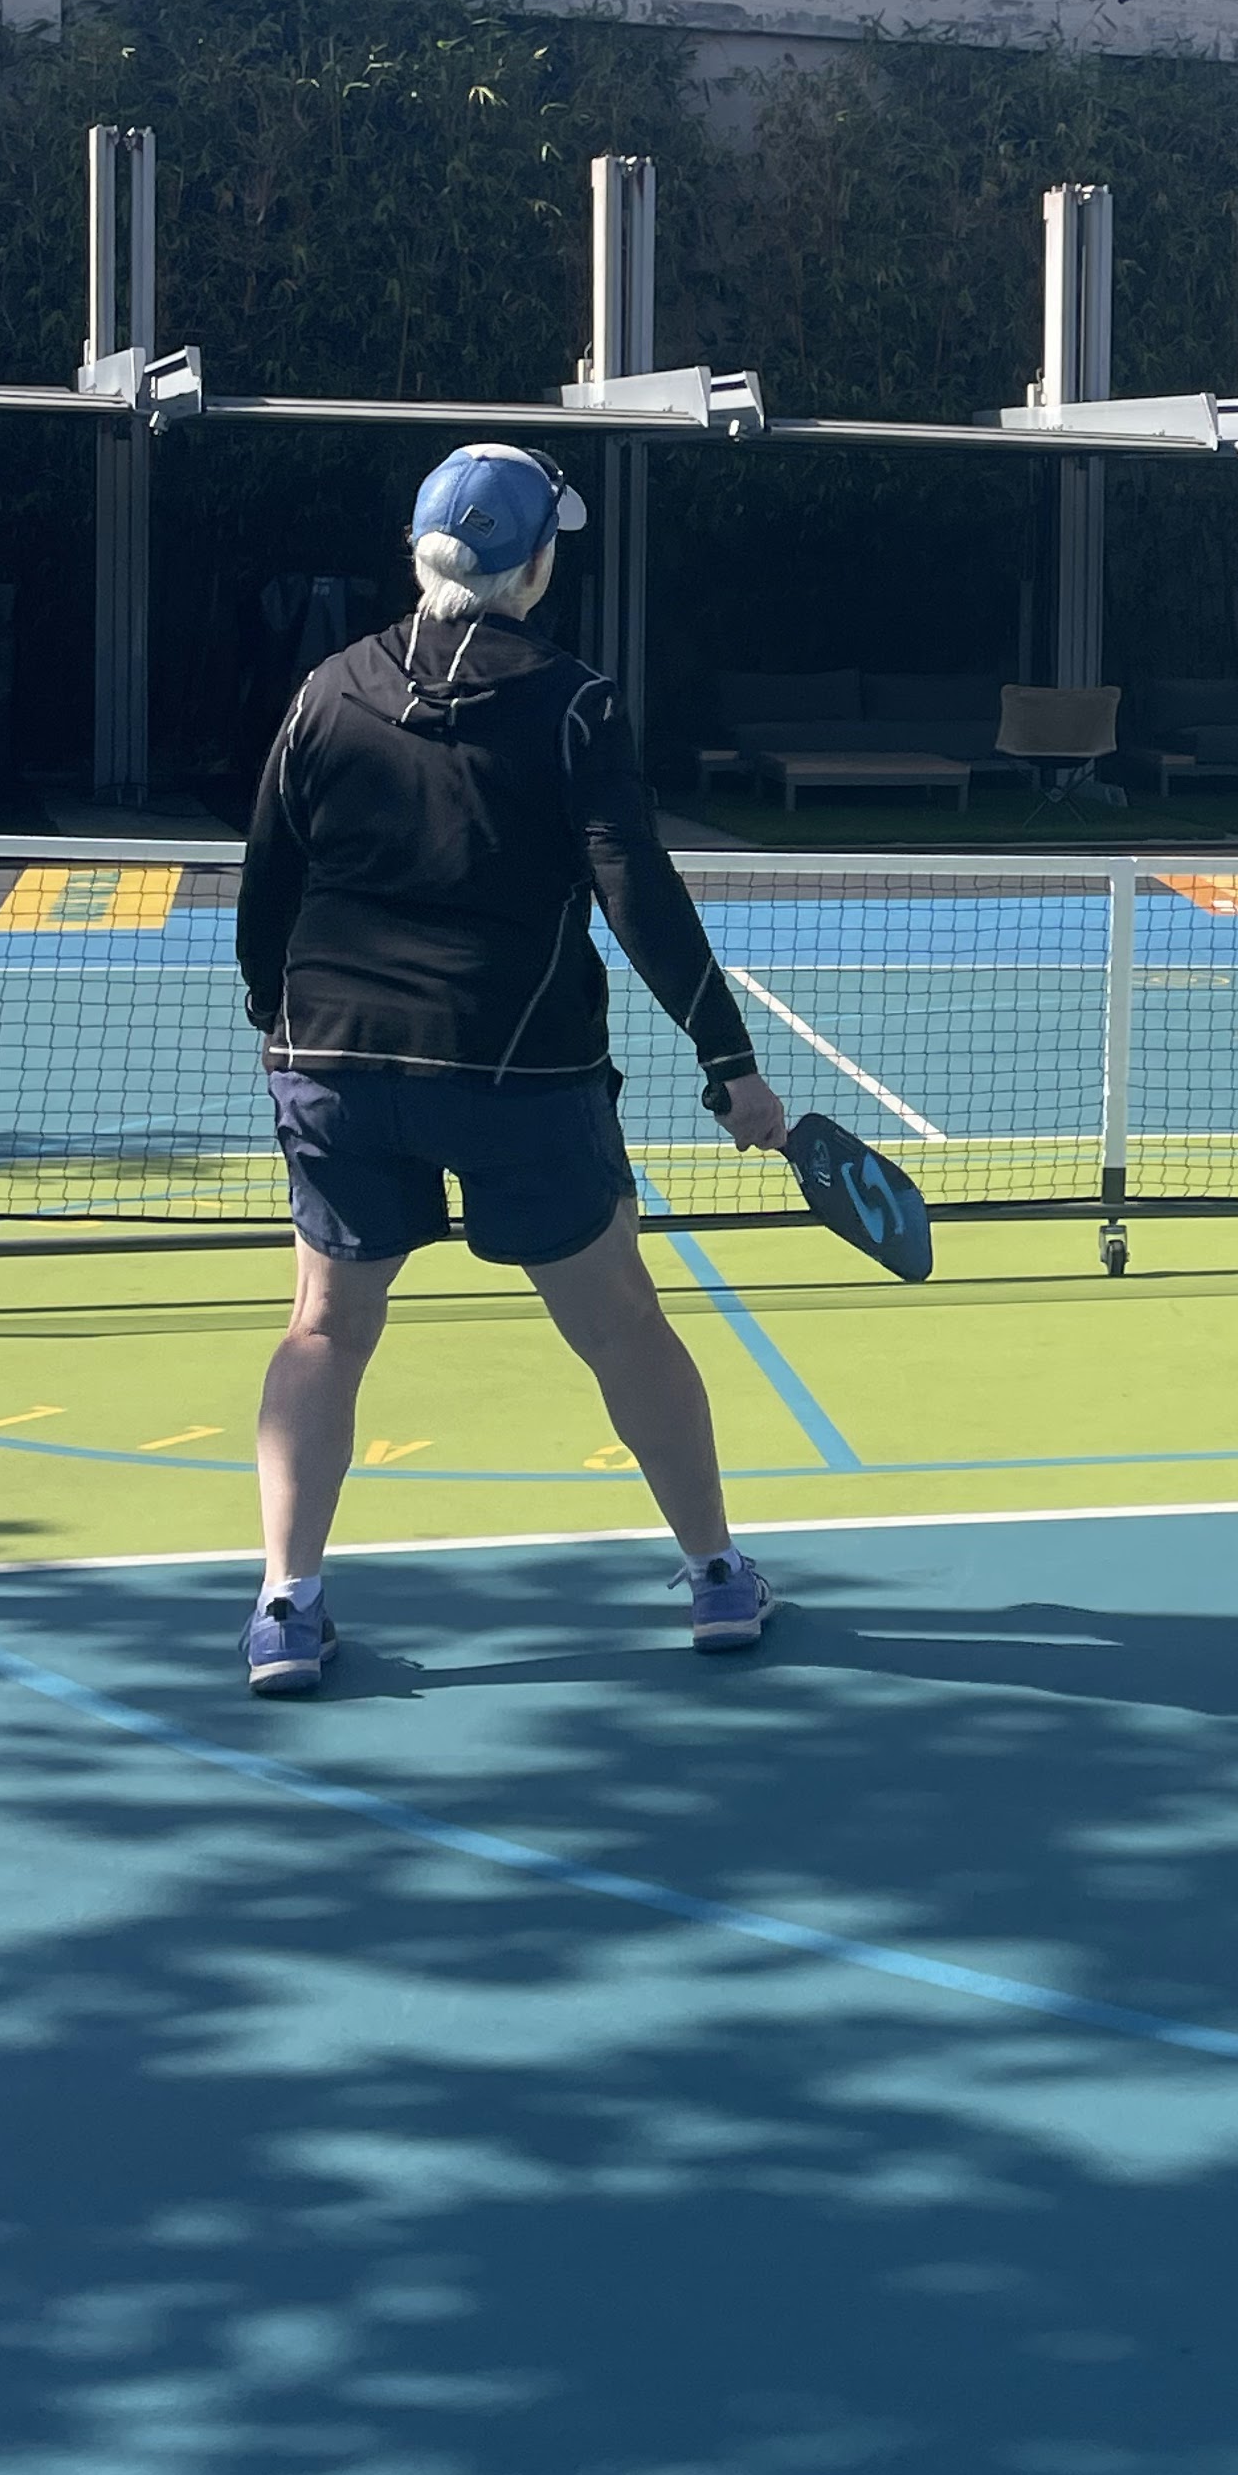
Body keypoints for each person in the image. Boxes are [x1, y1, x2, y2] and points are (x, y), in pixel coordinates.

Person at [234, 442, 792, 1696]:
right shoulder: (575, 703)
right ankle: (715, 1579)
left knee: (326, 1327)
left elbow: (268, 873)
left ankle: (286, 1605)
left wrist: (276, 1013)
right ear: (536, 565)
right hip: (521, 1075)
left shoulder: (326, 688)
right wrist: (730, 1066)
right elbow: (634, 888)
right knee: (620, 1326)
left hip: (335, 1063)